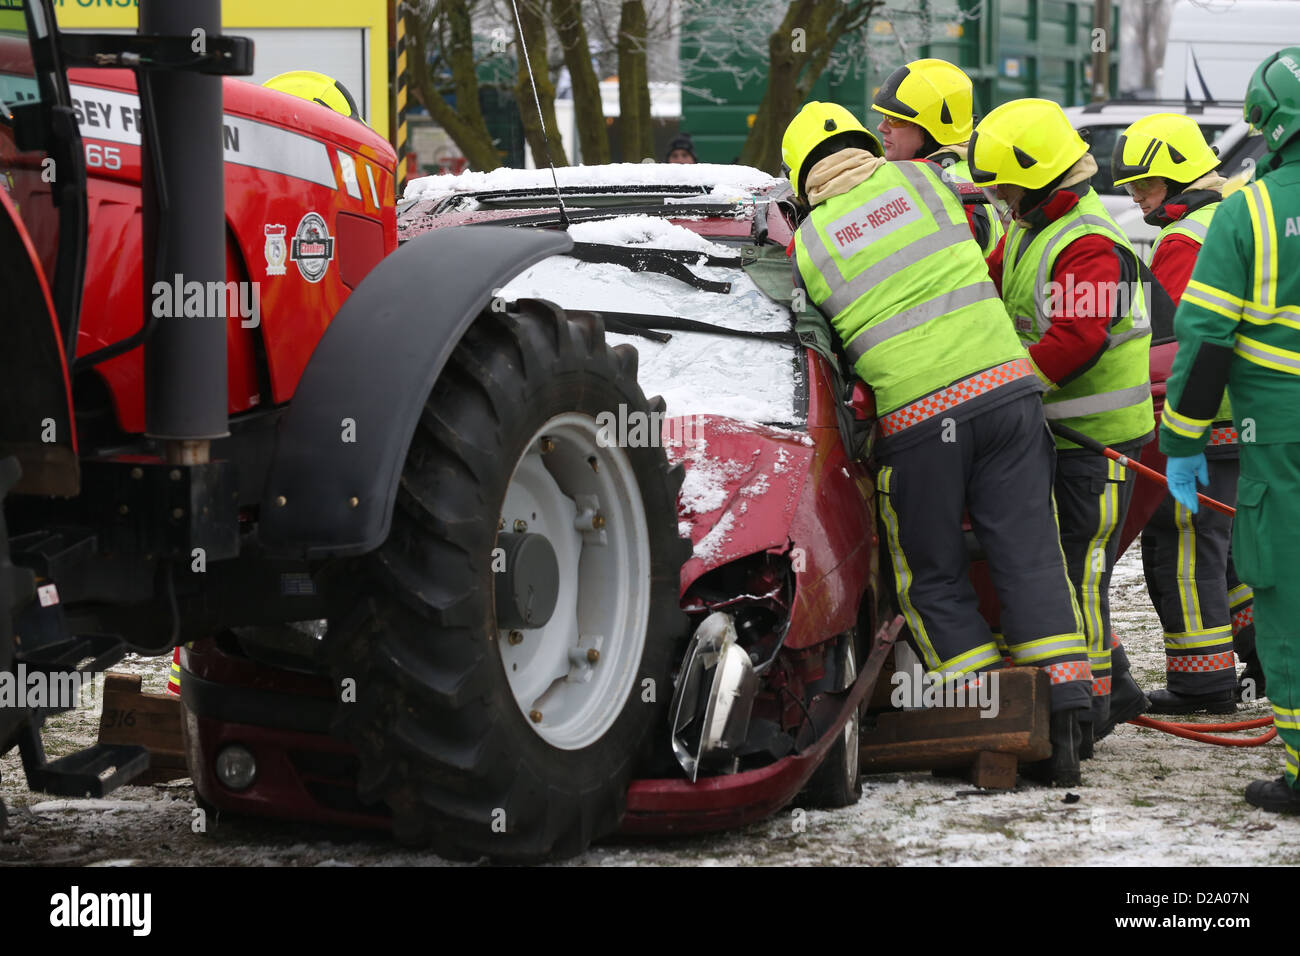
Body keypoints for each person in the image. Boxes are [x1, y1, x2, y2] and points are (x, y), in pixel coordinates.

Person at [784, 101, 1092, 784]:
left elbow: (821, 344)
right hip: (1011, 393)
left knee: (931, 573)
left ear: (800, 175)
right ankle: (1068, 716)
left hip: (922, 422)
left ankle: (990, 718)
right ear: (868, 147)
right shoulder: (925, 183)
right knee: (1031, 554)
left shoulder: (806, 244)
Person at [969, 98, 1154, 754]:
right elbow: (989, 289)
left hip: (1099, 441)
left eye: (1006, 187)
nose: (999, 199)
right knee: (1075, 569)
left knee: (1080, 571)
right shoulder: (1031, 226)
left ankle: (1092, 707)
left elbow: (1076, 340)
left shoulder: (1088, 243)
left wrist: (1002, 388)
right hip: (1063, 436)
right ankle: (1118, 685)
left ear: (1042, 178)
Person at [1160, 48, 1300, 813]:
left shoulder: (1247, 212)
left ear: (1271, 128)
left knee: (1286, 594)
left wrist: (1182, 444)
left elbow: (1207, 342)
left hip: (1279, 440)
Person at [1112, 113, 1260, 713]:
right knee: (1231, 545)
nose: (1135, 198)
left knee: (1182, 544)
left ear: (1173, 177)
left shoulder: (1183, 241)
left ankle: (1202, 683)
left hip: (1204, 415)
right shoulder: (1234, 212)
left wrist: (1178, 425)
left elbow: (1182, 343)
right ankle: (1262, 655)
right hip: (1249, 411)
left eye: (1142, 185)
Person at [872, 58, 1004, 257]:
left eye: (895, 120)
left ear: (932, 129)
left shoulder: (947, 188)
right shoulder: (963, 171)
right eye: (883, 117)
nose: (881, 128)